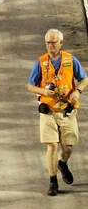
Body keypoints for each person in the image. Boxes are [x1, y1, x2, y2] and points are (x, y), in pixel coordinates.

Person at [27, 29, 87, 195]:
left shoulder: (70, 60)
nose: (50, 46)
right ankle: (53, 181)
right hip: (48, 111)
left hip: (67, 109)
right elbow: (30, 85)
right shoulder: (40, 62)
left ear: (61, 43)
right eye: (47, 42)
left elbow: (84, 79)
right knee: (52, 145)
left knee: (68, 146)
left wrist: (78, 91)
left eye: (53, 42)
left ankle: (62, 163)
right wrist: (43, 92)